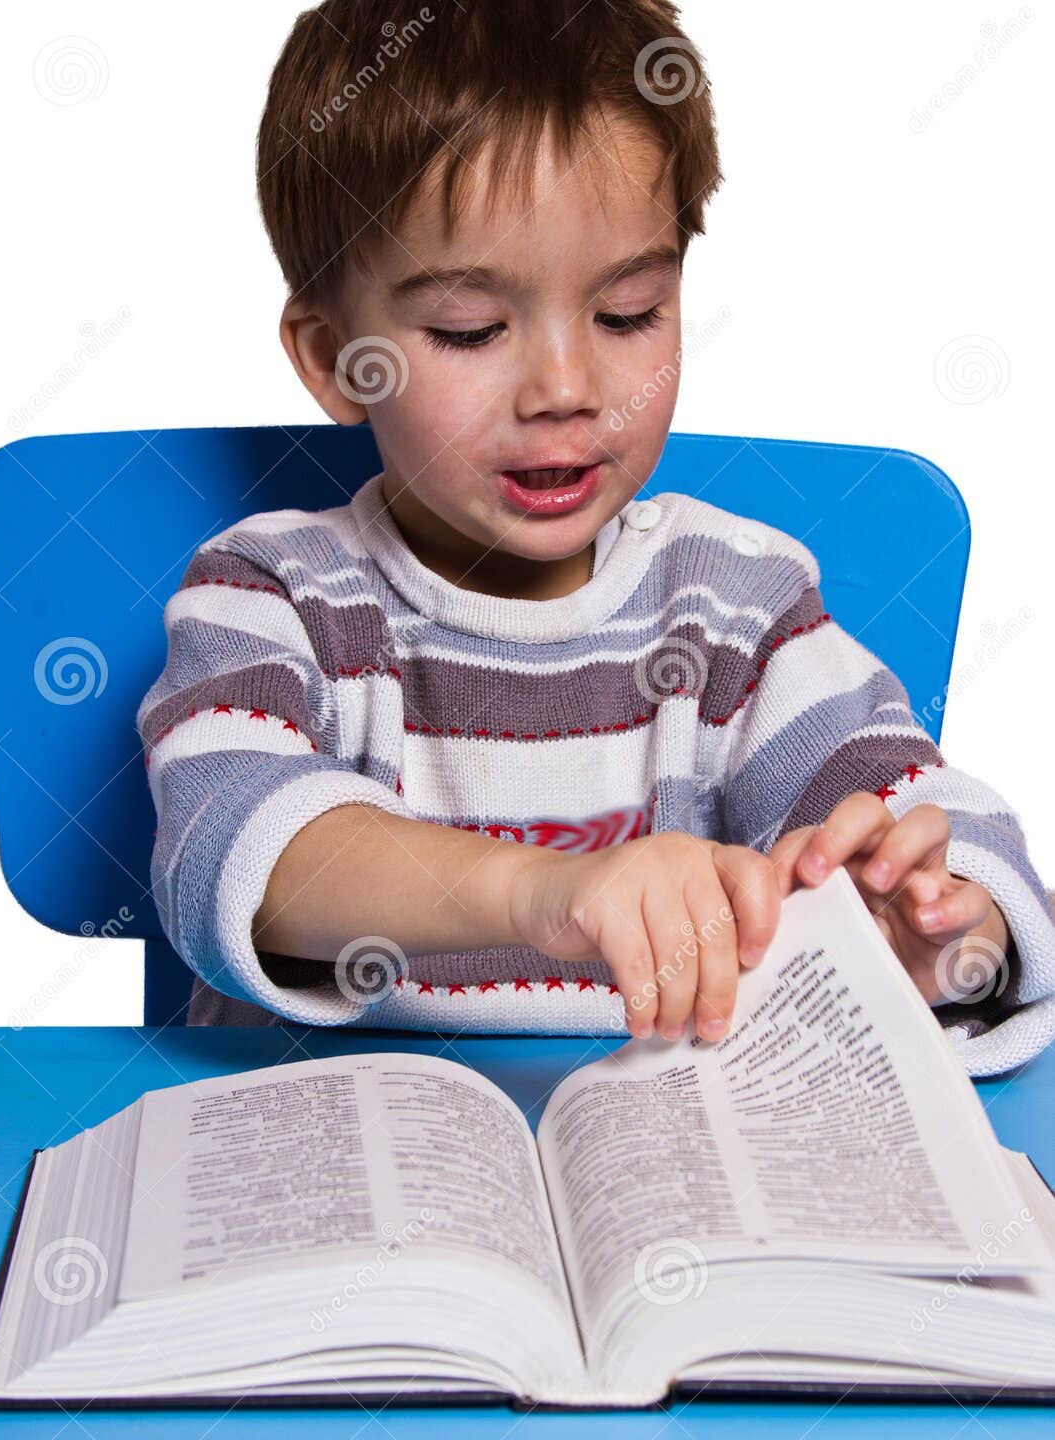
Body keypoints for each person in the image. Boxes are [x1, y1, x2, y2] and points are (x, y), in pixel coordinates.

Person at [136, 0, 1055, 1077]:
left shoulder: (734, 607)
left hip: (665, 1166)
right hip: (331, 1164)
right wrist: (545, 893)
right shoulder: (273, 593)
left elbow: (932, 815)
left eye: (626, 314)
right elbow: (227, 840)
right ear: (336, 355)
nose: (566, 391)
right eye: (470, 331)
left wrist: (945, 927)